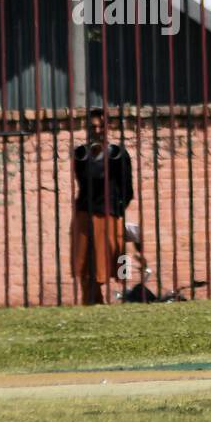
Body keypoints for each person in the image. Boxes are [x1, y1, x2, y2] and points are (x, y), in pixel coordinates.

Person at [71, 107, 134, 305]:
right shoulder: (80, 154)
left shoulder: (118, 154)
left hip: (108, 213)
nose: (96, 130)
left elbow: (127, 188)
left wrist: (117, 207)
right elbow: (81, 181)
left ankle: (123, 299)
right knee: (83, 262)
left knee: (111, 258)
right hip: (84, 213)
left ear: (108, 127)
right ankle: (91, 301)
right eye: (92, 127)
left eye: (100, 126)